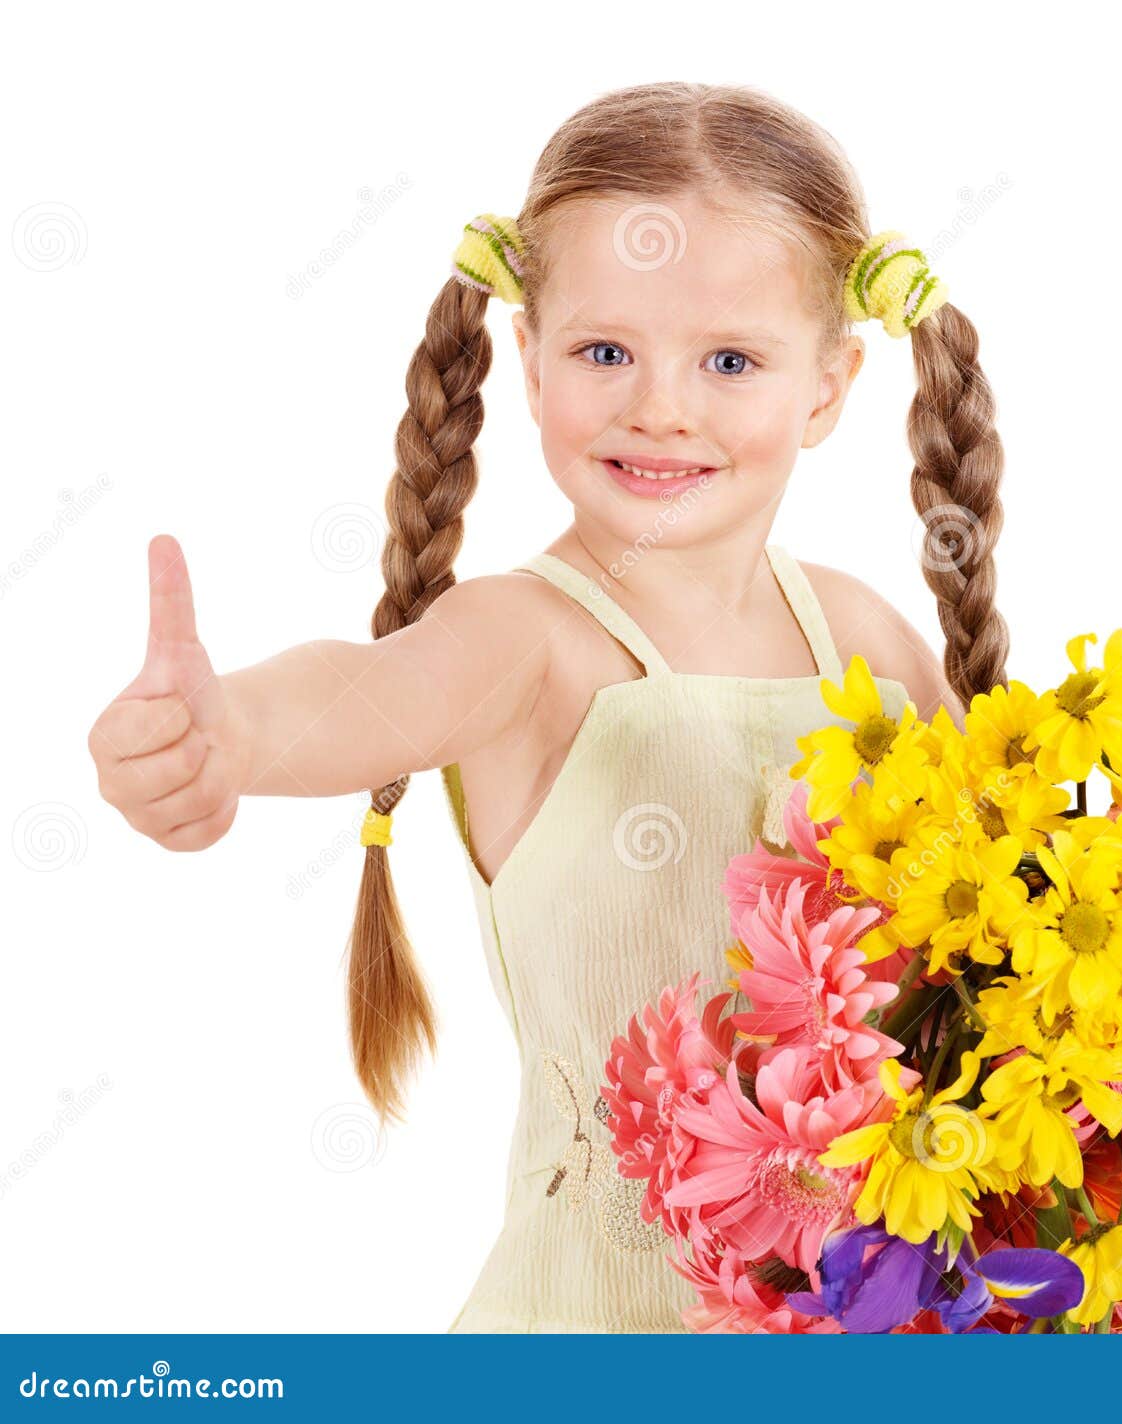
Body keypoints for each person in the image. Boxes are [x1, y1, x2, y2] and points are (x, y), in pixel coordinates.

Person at [86, 81, 1010, 1331]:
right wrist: (229, 732)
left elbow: (1022, 852)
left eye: (729, 359)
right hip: (595, 1316)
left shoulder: (856, 637)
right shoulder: (530, 638)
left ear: (829, 387)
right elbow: (369, 689)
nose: (659, 406)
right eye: (604, 351)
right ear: (528, 362)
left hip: (843, 1310)